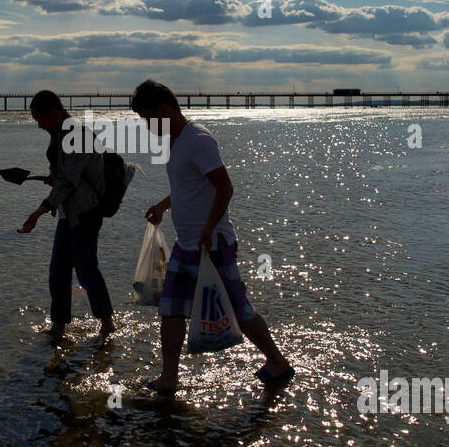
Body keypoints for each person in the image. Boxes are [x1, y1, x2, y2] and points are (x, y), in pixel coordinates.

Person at [131, 79, 293, 392]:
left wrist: (207, 228)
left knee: (239, 309)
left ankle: (277, 361)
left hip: (213, 244)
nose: (146, 125)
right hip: (185, 243)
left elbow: (224, 187)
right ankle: (169, 376)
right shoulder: (176, 140)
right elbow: (187, 185)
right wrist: (164, 205)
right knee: (171, 309)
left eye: (147, 118)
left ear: (164, 110)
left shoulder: (198, 139)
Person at [17, 90, 116, 339]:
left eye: (40, 119)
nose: (39, 125)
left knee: (86, 270)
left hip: (86, 212)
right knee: (58, 272)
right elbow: (64, 175)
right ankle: (59, 326)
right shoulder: (58, 134)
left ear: (56, 112)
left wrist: (40, 210)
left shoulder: (77, 136)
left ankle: (107, 323)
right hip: (68, 213)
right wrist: (53, 177)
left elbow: (69, 181)